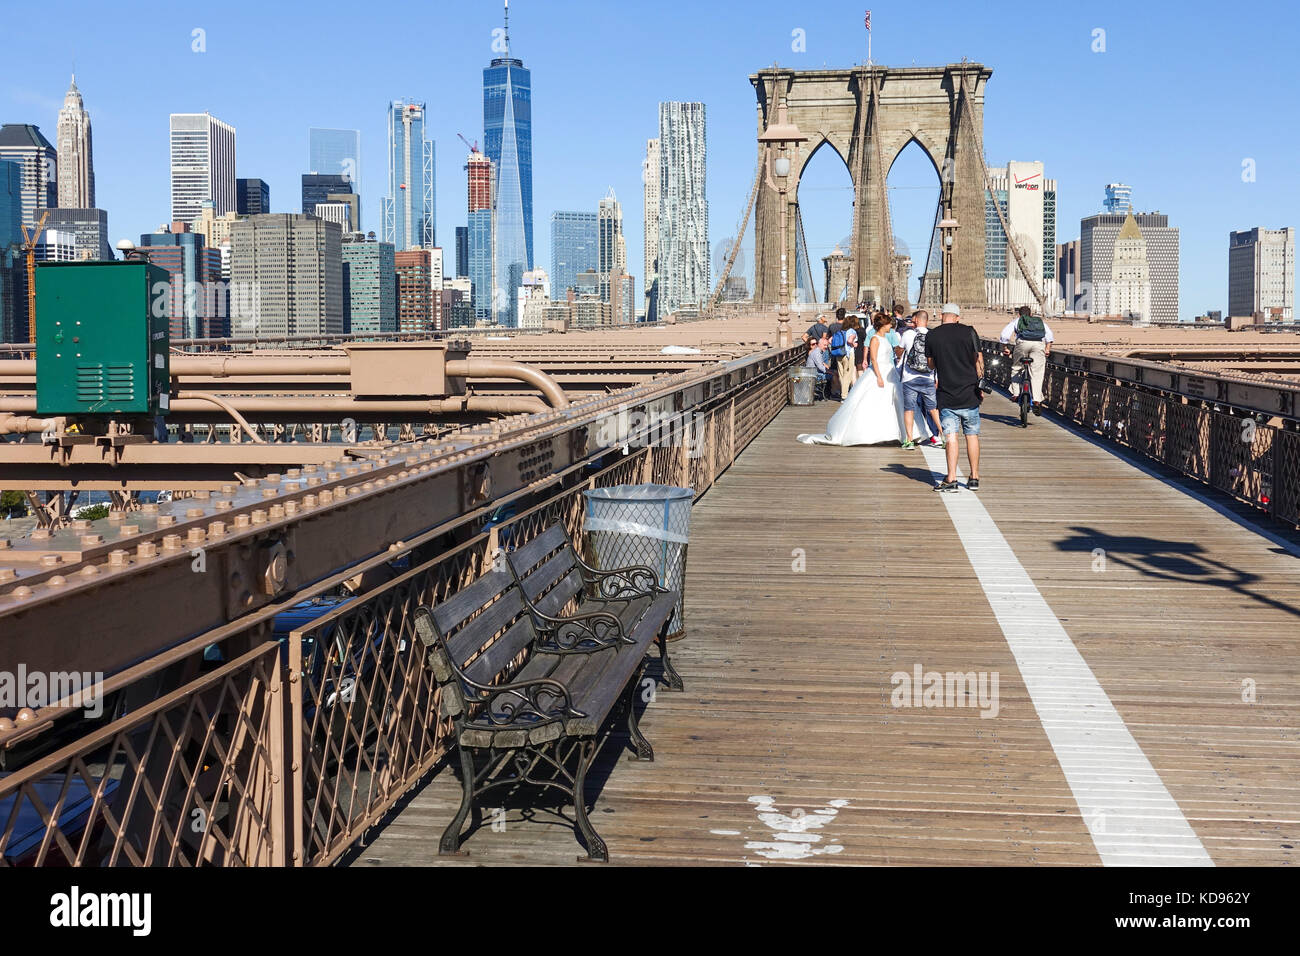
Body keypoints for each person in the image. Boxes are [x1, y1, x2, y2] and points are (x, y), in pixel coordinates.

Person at [797, 312, 905, 446]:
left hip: (890, 372)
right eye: (889, 323)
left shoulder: (887, 336)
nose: (891, 325)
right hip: (879, 373)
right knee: (875, 402)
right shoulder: (875, 339)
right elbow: (874, 359)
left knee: (891, 403)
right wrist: (879, 377)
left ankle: (892, 432)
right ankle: (876, 433)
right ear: (883, 325)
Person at [925, 303, 983, 492]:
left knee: (951, 437)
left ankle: (951, 479)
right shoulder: (969, 332)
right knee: (971, 435)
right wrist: (980, 382)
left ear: (942, 316)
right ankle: (974, 477)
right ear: (957, 317)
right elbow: (978, 359)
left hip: (946, 393)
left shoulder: (932, 335)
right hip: (969, 392)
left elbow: (931, 365)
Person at [898, 309, 944, 450]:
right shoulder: (934, 336)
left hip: (910, 378)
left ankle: (909, 441)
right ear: (927, 321)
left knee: (909, 409)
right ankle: (943, 437)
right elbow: (937, 359)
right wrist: (936, 377)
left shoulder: (907, 334)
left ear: (915, 320)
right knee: (933, 409)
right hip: (928, 377)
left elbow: (899, 351)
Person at [999, 305, 1054, 416]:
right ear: (1031, 314)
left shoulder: (1017, 321)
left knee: (1016, 368)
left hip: (1022, 344)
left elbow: (1004, 335)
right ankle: (1037, 399)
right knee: (1037, 373)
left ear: (1019, 314)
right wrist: (1047, 349)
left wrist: (1005, 349)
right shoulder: (1038, 321)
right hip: (1038, 345)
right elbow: (1050, 336)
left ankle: (1015, 394)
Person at [806, 332, 831, 397]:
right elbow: (820, 366)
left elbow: (821, 363)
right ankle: (834, 393)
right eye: (813, 344)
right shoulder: (816, 353)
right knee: (834, 376)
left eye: (816, 343)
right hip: (814, 374)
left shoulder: (818, 351)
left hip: (815, 372)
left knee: (835, 374)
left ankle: (834, 392)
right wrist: (829, 371)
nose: (815, 345)